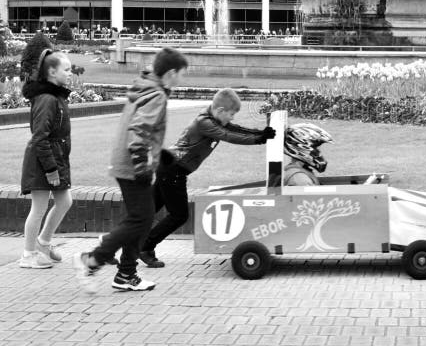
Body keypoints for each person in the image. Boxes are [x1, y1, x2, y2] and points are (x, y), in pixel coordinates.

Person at [73, 47, 188, 293]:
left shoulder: (146, 87)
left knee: (141, 219)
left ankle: (126, 274)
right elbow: (139, 130)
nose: (181, 80)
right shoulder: (156, 94)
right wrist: (141, 164)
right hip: (133, 165)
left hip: (127, 161)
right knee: (141, 219)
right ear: (170, 73)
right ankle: (94, 259)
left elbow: (143, 128)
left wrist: (160, 154)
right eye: (181, 74)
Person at [138, 88, 276, 268]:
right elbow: (228, 135)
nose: (232, 118)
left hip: (170, 168)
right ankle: (145, 247)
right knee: (179, 215)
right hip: (173, 170)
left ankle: (110, 244)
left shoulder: (213, 119)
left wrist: (261, 133)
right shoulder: (205, 123)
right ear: (220, 111)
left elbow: (235, 129)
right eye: (231, 114)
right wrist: (258, 140)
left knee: (146, 211)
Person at [19, 48, 74, 268]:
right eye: (66, 69)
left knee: (65, 201)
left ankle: (43, 243)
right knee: (39, 207)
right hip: (43, 161)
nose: (70, 73)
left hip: (54, 158)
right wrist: (51, 169)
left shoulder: (54, 96)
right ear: (52, 72)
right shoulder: (46, 99)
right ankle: (28, 254)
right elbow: (40, 137)